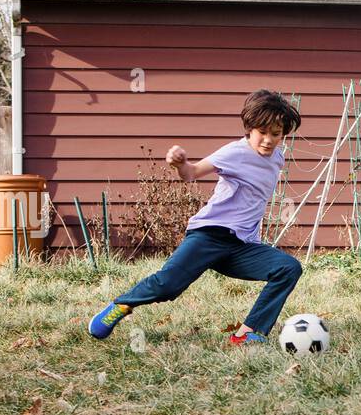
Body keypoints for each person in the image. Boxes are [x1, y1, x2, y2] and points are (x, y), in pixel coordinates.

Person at [88, 89, 303, 346]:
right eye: (262, 132)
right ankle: (121, 305)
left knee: (288, 268)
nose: (268, 140)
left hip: (242, 246)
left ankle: (247, 333)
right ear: (249, 129)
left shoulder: (277, 157)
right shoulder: (234, 153)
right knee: (168, 287)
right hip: (209, 236)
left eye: (276, 134)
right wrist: (180, 163)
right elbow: (192, 172)